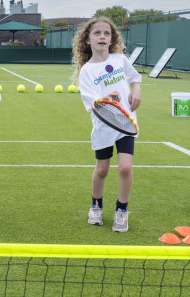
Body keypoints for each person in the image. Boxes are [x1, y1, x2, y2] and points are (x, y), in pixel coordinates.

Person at [72, 17, 142, 233]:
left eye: (107, 33)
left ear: (112, 40)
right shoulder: (87, 71)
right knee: (102, 169)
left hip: (126, 124)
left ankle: (122, 210)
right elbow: (91, 102)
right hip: (104, 126)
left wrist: (137, 91)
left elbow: (134, 78)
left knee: (125, 167)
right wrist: (105, 99)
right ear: (87, 40)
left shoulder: (120, 60)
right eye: (97, 33)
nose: (102, 36)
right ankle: (96, 206)